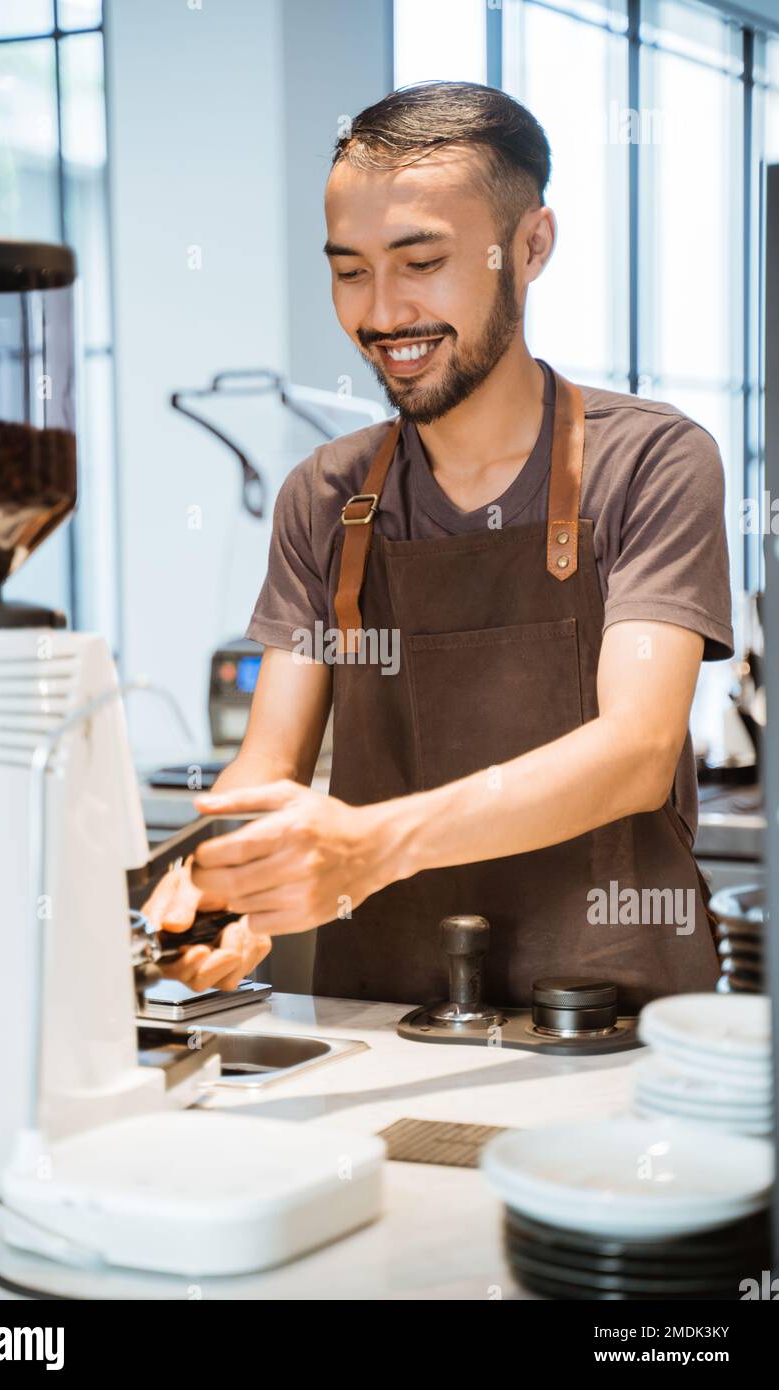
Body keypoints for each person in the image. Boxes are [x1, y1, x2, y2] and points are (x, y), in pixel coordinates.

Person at [144, 81, 732, 1011]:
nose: (382, 314)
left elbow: (637, 749)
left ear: (531, 245)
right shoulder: (324, 498)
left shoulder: (653, 461)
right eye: (350, 271)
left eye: (421, 261)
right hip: (386, 1018)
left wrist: (370, 846)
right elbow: (269, 766)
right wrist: (221, 888)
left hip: (617, 1021)